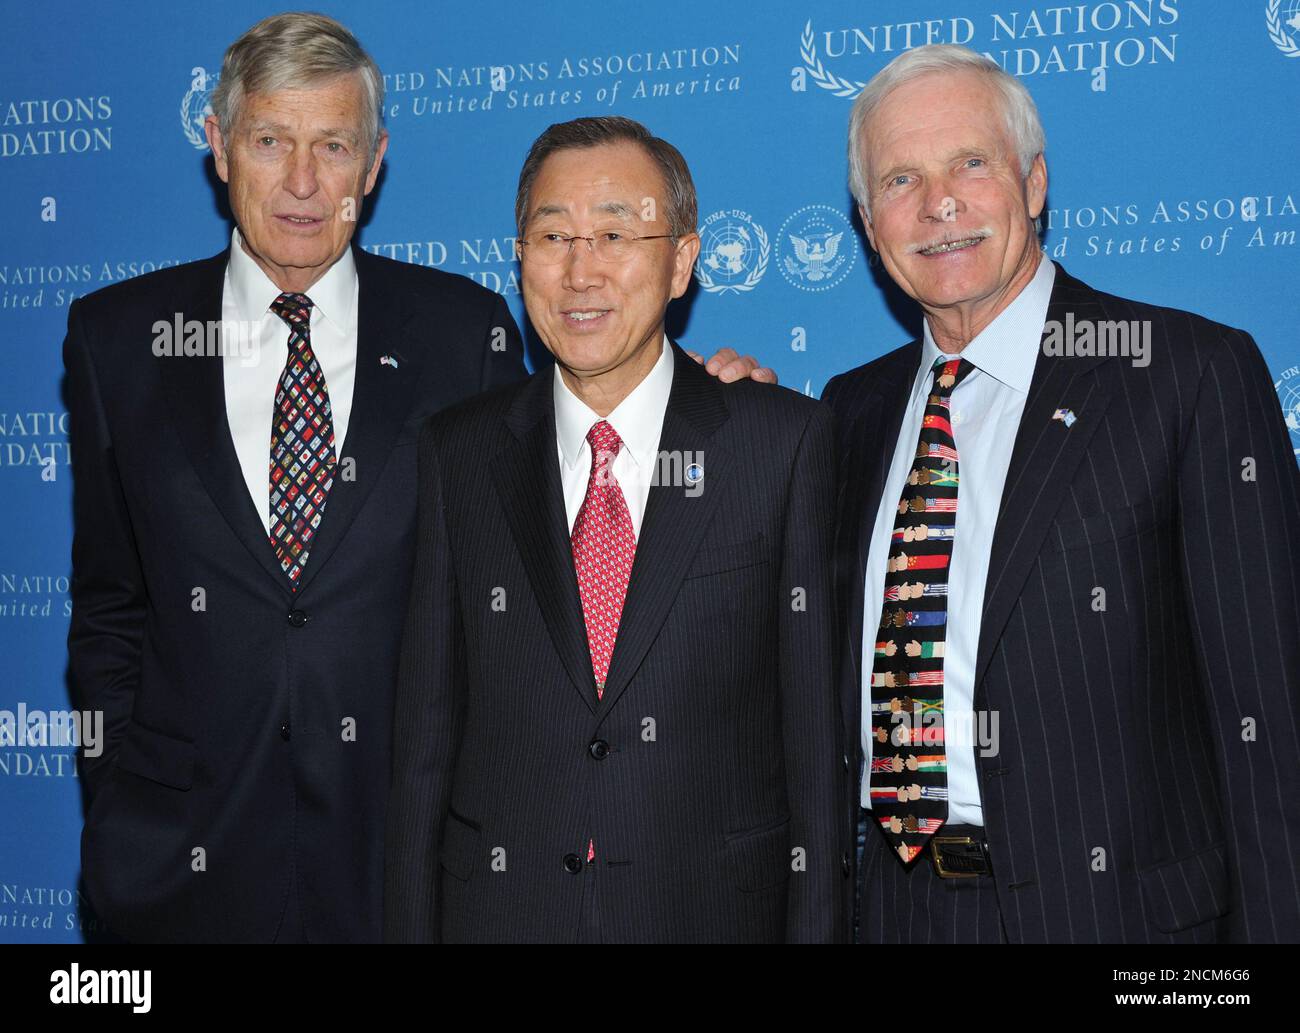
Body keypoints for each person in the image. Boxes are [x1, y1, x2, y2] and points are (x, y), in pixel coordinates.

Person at [65, 12, 763, 944]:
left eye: (335, 144)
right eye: (272, 140)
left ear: (376, 160)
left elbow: (554, 516)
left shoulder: (461, 334)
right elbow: (110, 602)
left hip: (403, 867)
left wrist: (702, 405)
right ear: (219, 145)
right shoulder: (118, 339)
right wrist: (120, 793)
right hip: (179, 870)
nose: (304, 181)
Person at [825, 43, 1300, 943]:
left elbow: (1274, 728)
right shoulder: (848, 412)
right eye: (900, 180)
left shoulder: (1182, 375)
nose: (940, 204)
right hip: (896, 915)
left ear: (1034, 183)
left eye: (971, 162)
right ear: (868, 222)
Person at [384, 116, 845, 943]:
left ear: (682, 262)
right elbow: (423, 746)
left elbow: (817, 756)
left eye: (614, 234)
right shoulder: (459, 454)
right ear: (519, 255)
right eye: (552, 233)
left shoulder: (780, 444)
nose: (580, 268)